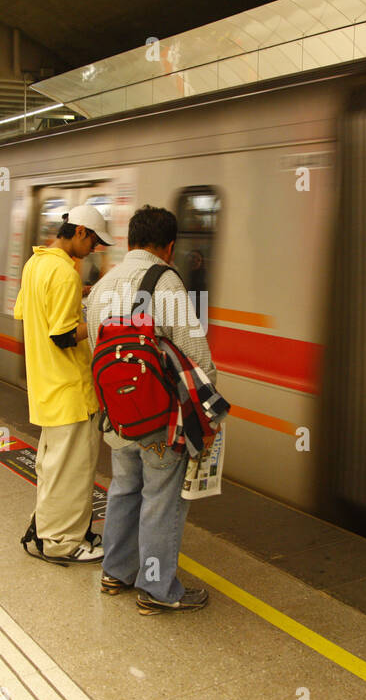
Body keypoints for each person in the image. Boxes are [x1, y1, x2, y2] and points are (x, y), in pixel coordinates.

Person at [85, 205, 218, 613]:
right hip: (160, 421)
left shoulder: (104, 284)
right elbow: (196, 354)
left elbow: (96, 348)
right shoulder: (166, 282)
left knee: (124, 487)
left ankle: (116, 571)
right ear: (170, 247)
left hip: (119, 417)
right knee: (161, 496)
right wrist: (210, 409)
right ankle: (157, 590)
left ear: (129, 242)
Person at [12, 204, 112, 564]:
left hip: (46, 387)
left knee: (52, 469)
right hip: (71, 390)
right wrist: (100, 319)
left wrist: (82, 294)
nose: (95, 249)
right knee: (72, 472)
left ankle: (49, 532)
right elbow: (64, 335)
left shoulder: (36, 264)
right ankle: (62, 543)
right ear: (81, 231)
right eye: (95, 241)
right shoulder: (65, 273)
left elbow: (30, 313)